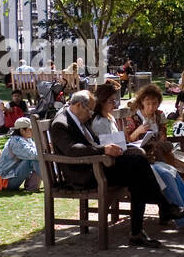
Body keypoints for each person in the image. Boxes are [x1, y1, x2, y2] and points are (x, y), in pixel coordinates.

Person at [49, 89, 172, 247]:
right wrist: (103, 149)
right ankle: (163, 208)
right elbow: (72, 150)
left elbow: (92, 142)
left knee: (138, 165)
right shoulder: (61, 123)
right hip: (82, 174)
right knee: (138, 166)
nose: (91, 114)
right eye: (90, 110)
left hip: (95, 166)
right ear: (78, 105)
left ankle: (139, 231)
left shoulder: (78, 118)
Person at [124, 84, 184, 229]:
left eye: (154, 103)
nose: (151, 107)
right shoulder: (133, 118)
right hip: (142, 159)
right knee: (168, 173)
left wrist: (158, 141)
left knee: (176, 170)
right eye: (148, 103)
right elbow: (126, 142)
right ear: (142, 102)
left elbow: (163, 138)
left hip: (159, 155)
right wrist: (138, 132)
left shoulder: (159, 115)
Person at [0, 117, 42, 191]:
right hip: (6, 182)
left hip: (14, 175)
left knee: (38, 159)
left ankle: (32, 187)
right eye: (30, 129)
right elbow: (34, 155)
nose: (32, 131)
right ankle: (50, 182)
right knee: (32, 160)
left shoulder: (27, 139)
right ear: (22, 130)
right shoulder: (17, 141)